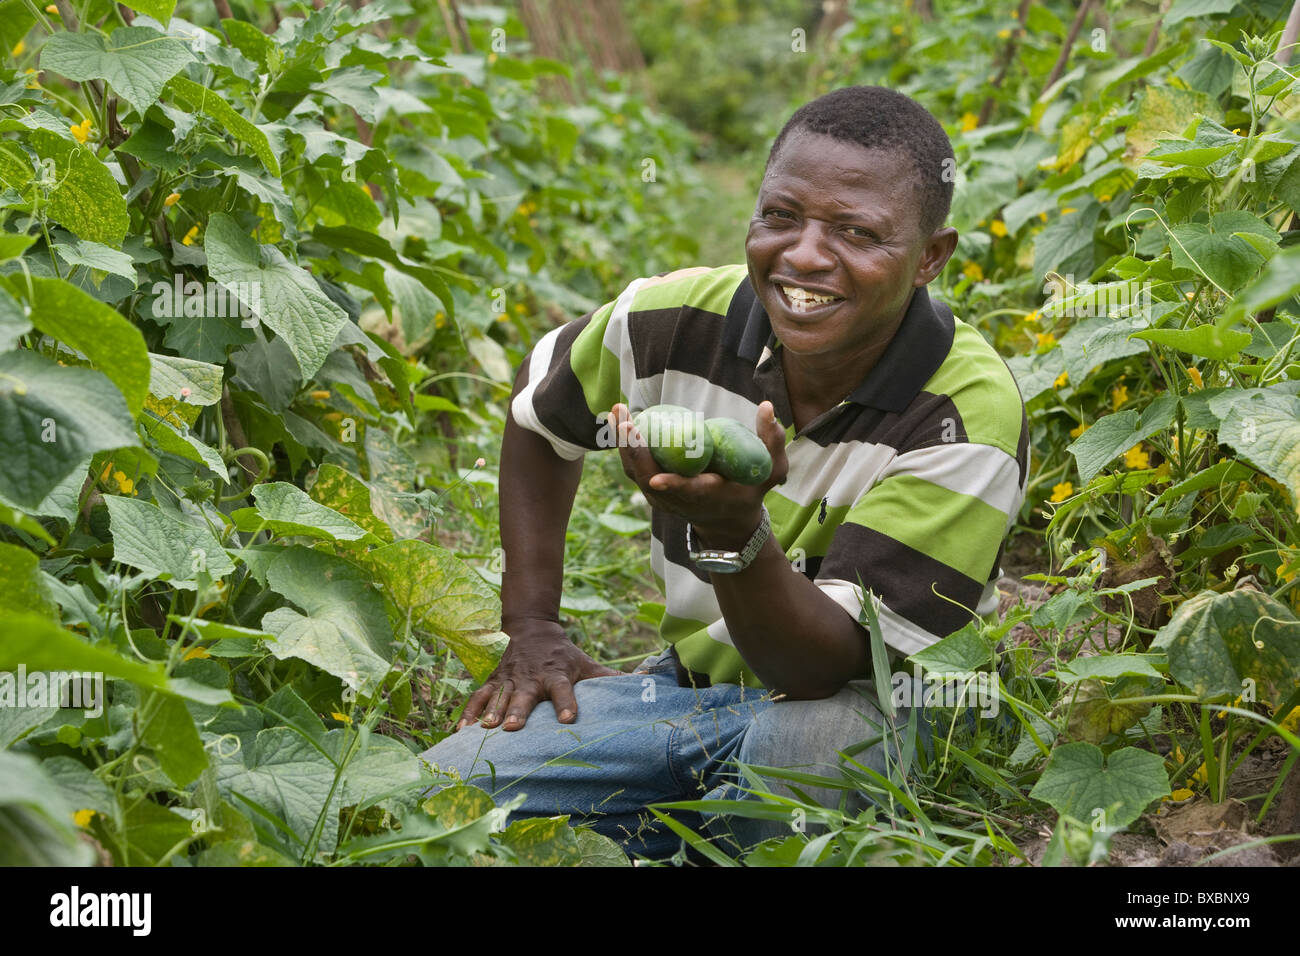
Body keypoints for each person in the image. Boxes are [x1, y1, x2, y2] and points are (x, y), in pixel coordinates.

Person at [420, 85, 1029, 860]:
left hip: (875, 704)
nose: (805, 255)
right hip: (687, 690)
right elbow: (539, 417)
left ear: (929, 259)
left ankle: (701, 827)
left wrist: (734, 535)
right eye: (781, 216)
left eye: (857, 232)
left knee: (802, 763)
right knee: (438, 791)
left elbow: (822, 666)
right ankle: (692, 822)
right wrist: (533, 627)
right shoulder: (671, 320)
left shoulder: (963, 414)